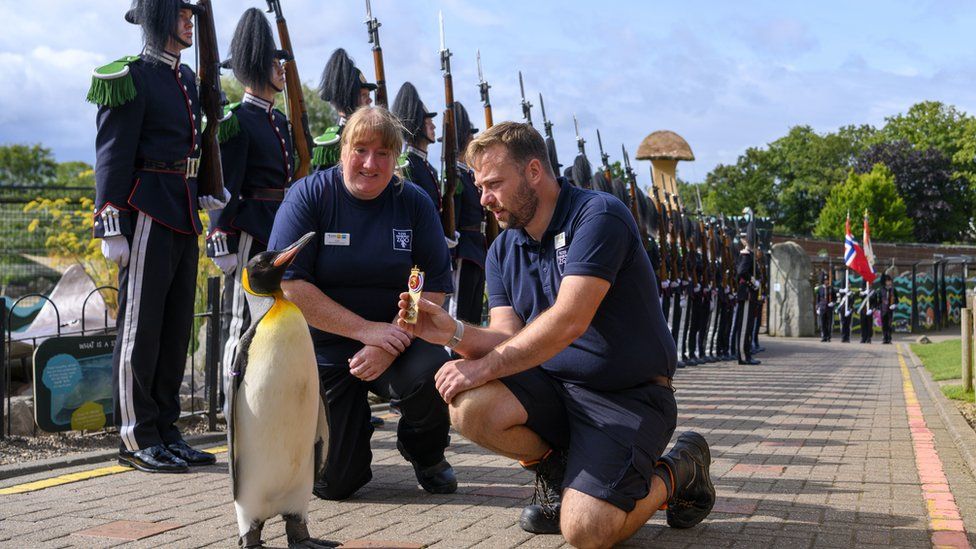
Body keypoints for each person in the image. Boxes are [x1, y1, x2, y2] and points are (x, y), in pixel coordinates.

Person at [396, 122, 714, 547]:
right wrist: (450, 332)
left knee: (586, 531)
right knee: (469, 405)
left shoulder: (597, 216)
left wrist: (482, 368)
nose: (484, 198)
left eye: (494, 184)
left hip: (625, 397)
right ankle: (560, 472)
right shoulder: (503, 248)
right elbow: (506, 335)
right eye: (480, 187)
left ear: (533, 172)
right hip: (554, 388)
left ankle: (680, 469)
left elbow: (569, 320)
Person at [268, 106, 458, 501]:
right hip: (326, 347)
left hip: (398, 339)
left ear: (396, 158)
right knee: (336, 484)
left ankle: (425, 452)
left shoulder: (414, 202)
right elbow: (291, 284)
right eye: (361, 150)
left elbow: (428, 285)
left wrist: (392, 340)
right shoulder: (309, 196)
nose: (371, 164)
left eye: (383, 153)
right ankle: (341, 435)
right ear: (343, 150)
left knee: (434, 371)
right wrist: (365, 331)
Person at [88, 0, 221, 473]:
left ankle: (166, 429)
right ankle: (136, 435)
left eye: (190, 15)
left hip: (181, 208)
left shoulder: (185, 79)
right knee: (140, 331)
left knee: (173, 328)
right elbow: (112, 154)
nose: (189, 21)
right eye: (181, 14)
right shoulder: (130, 77)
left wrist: (207, 188)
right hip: (146, 209)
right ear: (159, 17)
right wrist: (111, 222)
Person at [206, 8, 293, 401]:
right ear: (259, 65)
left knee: (278, 319)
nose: (282, 70)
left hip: (280, 229)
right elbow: (226, 186)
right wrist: (220, 237)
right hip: (250, 230)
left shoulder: (281, 122)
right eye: (275, 62)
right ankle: (233, 404)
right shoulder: (238, 120)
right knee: (242, 322)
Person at [450, 102, 487, 326]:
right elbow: (453, 218)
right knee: (459, 315)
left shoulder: (470, 176)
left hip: (477, 250)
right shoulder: (457, 176)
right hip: (464, 251)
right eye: (471, 135)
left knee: (474, 317)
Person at [310, 48, 375, 171]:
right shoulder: (331, 144)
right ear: (349, 97)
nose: (370, 101)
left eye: (369, 95)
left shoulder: (373, 134)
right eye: (364, 95)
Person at [392, 82, 440, 214]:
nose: (434, 127)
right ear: (418, 126)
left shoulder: (429, 167)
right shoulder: (406, 164)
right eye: (428, 123)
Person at [733, 232, 760, 365]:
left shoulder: (751, 255)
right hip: (746, 294)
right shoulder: (746, 255)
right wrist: (752, 281)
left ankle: (747, 354)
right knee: (744, 327)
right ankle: (743, 356)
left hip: (750, 295)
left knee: (748, 326)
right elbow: (741, 272)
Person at [816, 272, 836, 342]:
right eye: (825, 280)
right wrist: (817, 307)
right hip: (822, 307)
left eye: (827, 280)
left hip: (829, 308)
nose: (826, 281)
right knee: (822, 323)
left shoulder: (831, 288)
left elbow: (835, 298)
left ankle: (828, 337)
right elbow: (818, 299)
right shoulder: (820, 288)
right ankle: (824, 336)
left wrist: (833, 303)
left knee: (829, 323)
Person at [880, 274, 898, 344]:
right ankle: (884, 338)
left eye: (890, 281)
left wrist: (894, 305)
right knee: (884, 325)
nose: (889, 282)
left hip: (890, 310)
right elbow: (879, 300)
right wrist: (879, 308)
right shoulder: (882, 289)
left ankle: (889, 338)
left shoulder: (893, 290)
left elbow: (897, 300)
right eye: (887, 281)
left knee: (889, 325)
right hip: (883, 310)